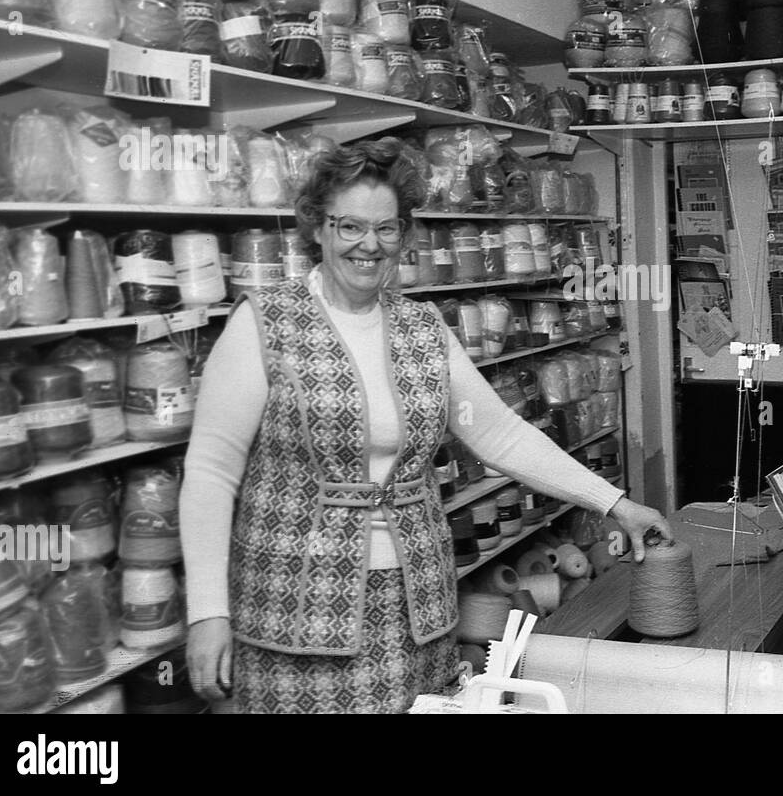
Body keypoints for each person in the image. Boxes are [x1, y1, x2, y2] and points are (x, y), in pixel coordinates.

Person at [181, 139, 671, 713]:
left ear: (404, 234)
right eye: (350, 226)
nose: (369, 244)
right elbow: (211, 472)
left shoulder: (422, 327)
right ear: (316, 227)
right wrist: (207, 612)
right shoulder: (266, 323)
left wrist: (615, 504)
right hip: (295, 606)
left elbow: (501, 435)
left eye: (386, 228)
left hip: (414, 602)